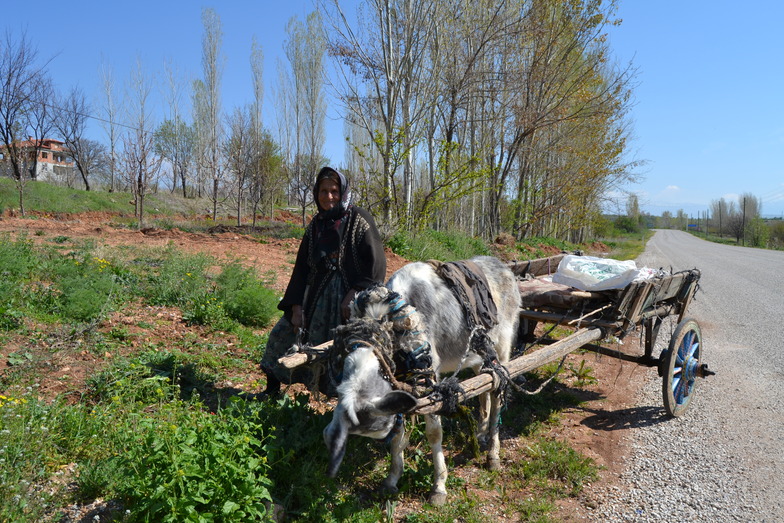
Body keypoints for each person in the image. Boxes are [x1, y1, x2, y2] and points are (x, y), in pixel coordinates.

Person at [260, 166, 386, 395]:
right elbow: (301, 268)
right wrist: (296, 306)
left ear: (343, 192)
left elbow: (376, 265)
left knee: (344, 351)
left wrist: (354, 294)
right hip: (316, 295)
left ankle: (342, 408)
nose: (329, 197)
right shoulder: (316, 225)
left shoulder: (360, 219)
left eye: (334, 191)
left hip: (349, 302)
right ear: (316, 194)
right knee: (281, 334)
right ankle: (271, 392)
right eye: (323, 191)